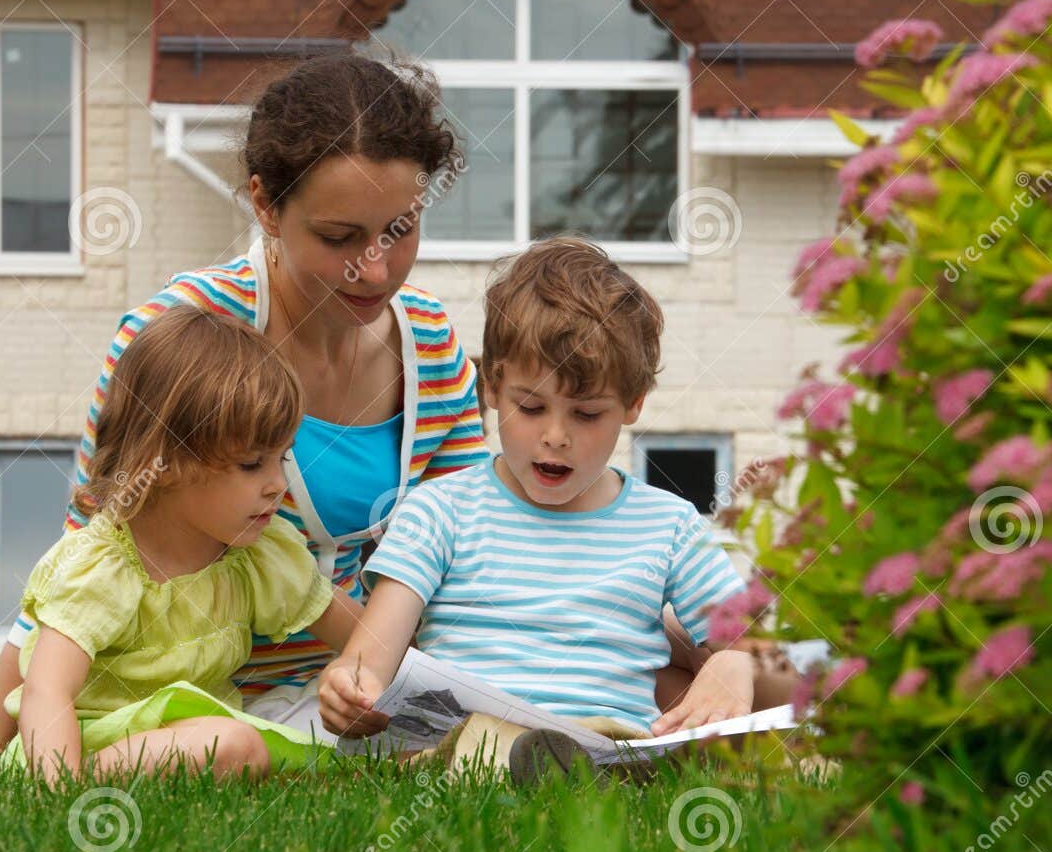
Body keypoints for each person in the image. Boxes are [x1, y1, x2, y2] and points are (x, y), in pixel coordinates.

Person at [0, 53, 485, 769]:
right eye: (339, 238)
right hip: (187, 712)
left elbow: (471, 558)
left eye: (399, 230)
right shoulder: (178, 336)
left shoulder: (432, 346)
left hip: (359, 700)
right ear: (266, 204)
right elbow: (76, 573)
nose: (375, 268)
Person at [319, 237, 757, 778]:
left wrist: (734, 660)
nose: (555, 436)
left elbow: (744, 634)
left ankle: (566, 767)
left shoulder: (667, 525)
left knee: (620, 743)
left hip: (606, 742)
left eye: (587, 414)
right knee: (476, 743)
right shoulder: (440, 511)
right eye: (531, 407)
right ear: (494, 389)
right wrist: (351, 686)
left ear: (633, 404)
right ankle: (528, 766)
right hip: (458, 745)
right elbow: (373, 651)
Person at [7, 306, 366, 782]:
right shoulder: (105, 565)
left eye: (281, 459)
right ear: (166, 461)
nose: (277, 483)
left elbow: (365, 638)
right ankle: (91, 783)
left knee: (305, 720)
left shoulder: (256, 554)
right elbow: (46, 691)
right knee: (234, 744)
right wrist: (58, 789)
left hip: (195, 735)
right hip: (85, 743)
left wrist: (406, 685)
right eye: (251, 464)